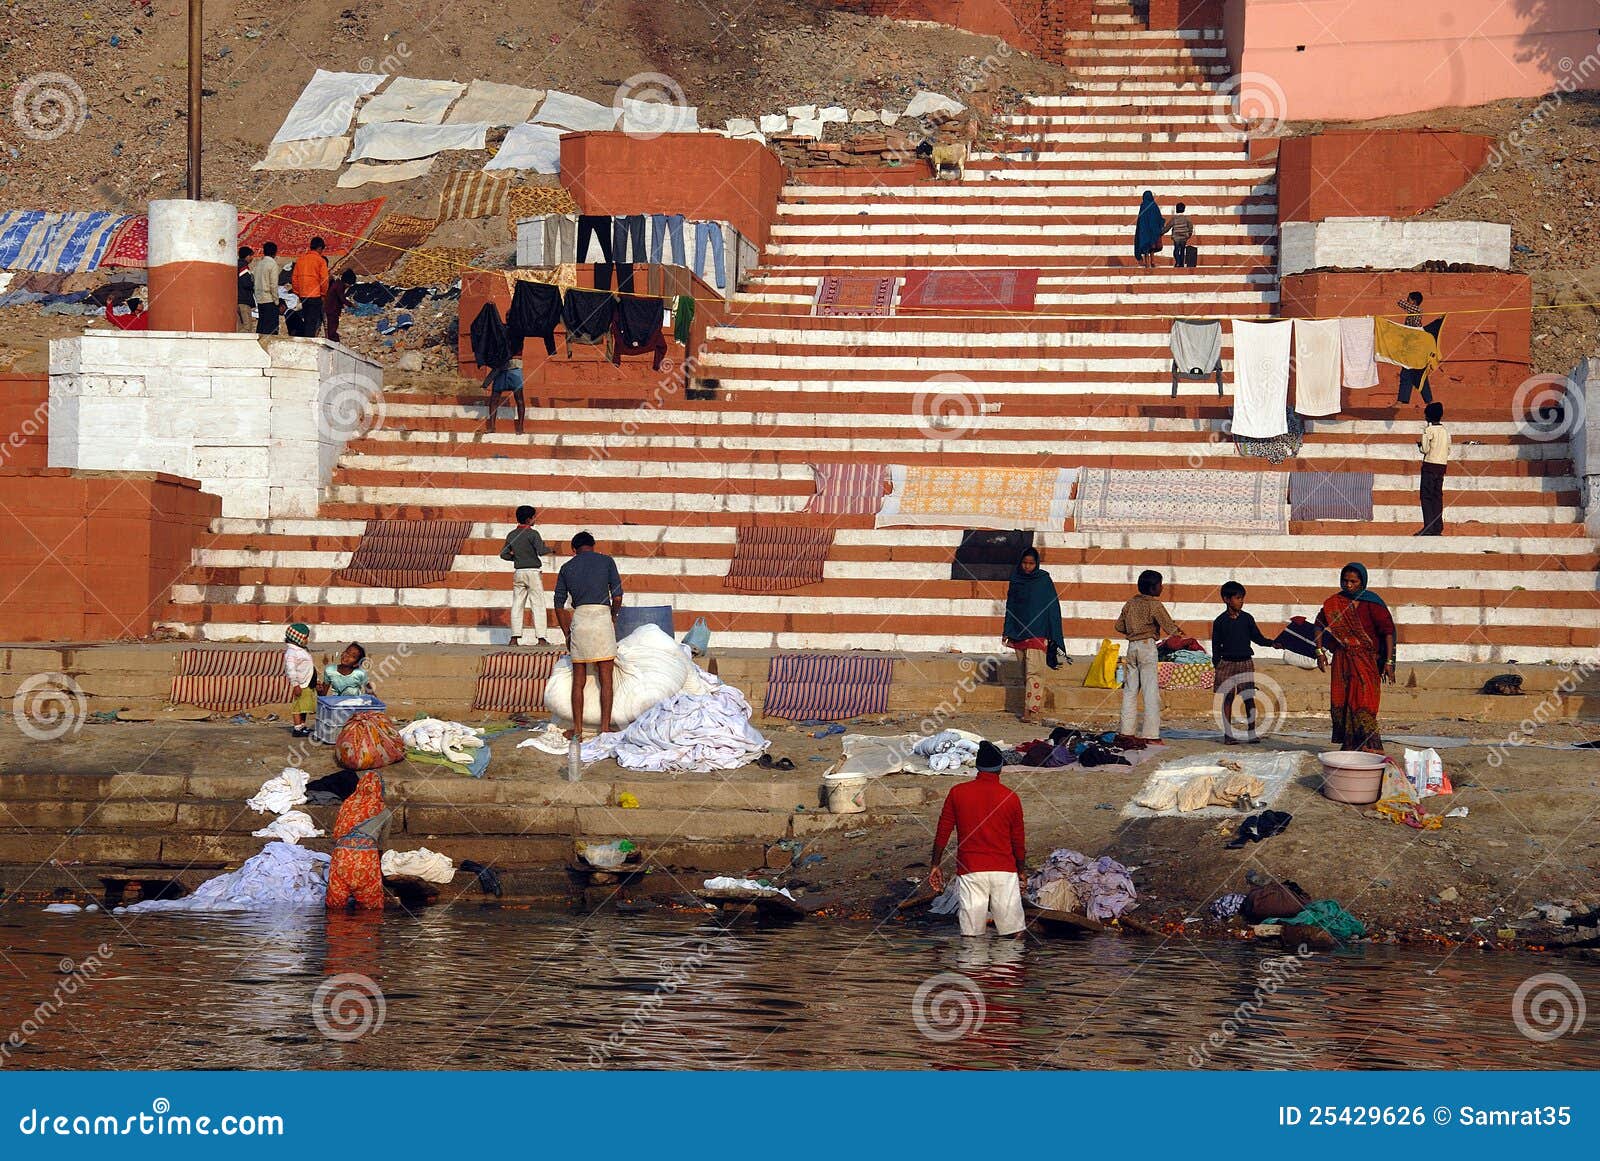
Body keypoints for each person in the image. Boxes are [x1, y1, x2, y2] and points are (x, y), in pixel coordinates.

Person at [928, 740, 1027, 939]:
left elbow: (943, 831)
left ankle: (973, 960)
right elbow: (1018, 840)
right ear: (1000, 768)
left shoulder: (958, 792)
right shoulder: (1010, 797)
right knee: (1014, 933)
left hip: (970, 869)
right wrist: (1021, 870)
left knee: (971, 935)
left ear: (977, 766)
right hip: (1004, 870)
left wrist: (935, 864)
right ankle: (1011, 959)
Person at [1315, 562, 1396, 754]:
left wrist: (1389, 661)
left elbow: (1388, 632)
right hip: (1342, 659)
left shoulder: (1372, 603)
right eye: (1345, 580)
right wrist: (1319, 652)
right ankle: (1350, 743)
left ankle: (1371, 745)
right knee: (1343, 700)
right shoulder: (1334, 603)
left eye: (1353, 581)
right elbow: (1318, 624)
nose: (1348, 585)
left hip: (1366, 660)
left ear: (1362, 582)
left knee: (1365, 700)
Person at [553, 532, 624, 740]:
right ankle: (605, 728)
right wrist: (613, 616)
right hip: (602, 619)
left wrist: (567, 633)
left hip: (581, 620)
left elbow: (558, 604)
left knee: (579, 680)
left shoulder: (567, 567)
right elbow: (617, 596)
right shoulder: (607, 561)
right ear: (593, 545)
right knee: (606, 679)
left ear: (573, 549)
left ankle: (577, 730)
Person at [1114, 569, 1182, 741]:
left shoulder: (1130, 603)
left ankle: (1126, 732)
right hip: (1147, 647)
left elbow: (1119, 626)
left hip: (1132, 647)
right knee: (1150, 692)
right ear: (1153, 588)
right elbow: (1168, 625)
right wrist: (1180, 634)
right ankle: (1150, 734)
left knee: (1130, 691)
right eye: (1160, 585)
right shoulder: (1154, 604)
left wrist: (1133, 630)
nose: (1162, 587)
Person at [1001, 547, 1065, 724]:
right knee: (1025, 672)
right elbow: (1011, 606)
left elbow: (1052, 607)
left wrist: (1052, 633)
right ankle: (1031, 706)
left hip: (1038, 632)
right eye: (1025, 563)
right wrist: (1007, 630)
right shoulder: (1016, 579)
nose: (1027, 566)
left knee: (1034, 672)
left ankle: (1029, 710)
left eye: (1031, 563)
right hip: (1018, 633)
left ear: (1036, 564)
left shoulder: (1043, 580)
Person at [1211, 581, 1275, 744]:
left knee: (1248, 697)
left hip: (1245, 662)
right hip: (1226, 663)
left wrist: (1272, 643)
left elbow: (1258, 638)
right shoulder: (1220, 621)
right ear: (1227, 599)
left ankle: (1252, 732)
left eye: (1242, 598)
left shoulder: (1247, 619)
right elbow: (1215, 645)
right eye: (1238, 598)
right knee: (1228, 698)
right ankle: (1228, 734)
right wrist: (1217, 664)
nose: (1241, 601)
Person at [502, 504, 552, 646]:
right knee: (538, 604)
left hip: (519, 572)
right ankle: (541, 638)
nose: (535, 519)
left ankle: (514, 637)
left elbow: (504, 554)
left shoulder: (511, 535)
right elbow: (541, 551)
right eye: (534, 517)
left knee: (517, 604)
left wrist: (516, 558)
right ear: (529, 519)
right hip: (533, 572)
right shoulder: (533, 534)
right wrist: (551, 549)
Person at [1395, 291, 1433, 405]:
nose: (1407, 301)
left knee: (1407, 373)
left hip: (1414, 349)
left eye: (1409, 299)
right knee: (1418, 375)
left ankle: (1401, 401)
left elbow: (1400, 302)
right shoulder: (1412, 313)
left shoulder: (1416, 310)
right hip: (1412, 348)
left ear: (1413, 301)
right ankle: (1429, 401)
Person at [1417, 401, 1450, 536]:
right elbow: (1448, 450)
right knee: (1437, 497)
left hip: (1430, 466)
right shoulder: (1445, 432)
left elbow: (1425, 449)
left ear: (1428, 417)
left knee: (1426, 497)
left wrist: (1420, 446)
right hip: (1441, 466)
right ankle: (1437, 527)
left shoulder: (1428, 430)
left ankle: (1429, 527)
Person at [290, 236, 330, 337]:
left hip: (303, 295)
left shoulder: (300, 260)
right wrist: (323, 294)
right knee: (312, 323)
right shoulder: (321, 261)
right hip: (315, 295)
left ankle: (306, 338)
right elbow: (324, 280)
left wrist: (297, 292)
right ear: (320, 248)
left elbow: (294, 278)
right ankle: (309, 340)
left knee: (307, 320)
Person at [283, 622, 317, 738]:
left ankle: (302, 726)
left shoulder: (301, 650)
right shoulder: (292, 653)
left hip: (307, 683)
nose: (307, 640)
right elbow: (291, 670)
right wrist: (295, 685)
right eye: (305, 637)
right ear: (297, 638)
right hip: (301, 684)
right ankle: (297, 728)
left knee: (304, 706)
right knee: (298, 707)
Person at [483, 357, 526, 435]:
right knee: (494, 399)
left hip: (514, 369)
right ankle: (492, 427)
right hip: (500, 371)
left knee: (519, 399)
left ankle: (520, 427)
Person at [251, 242, 281, 335]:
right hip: (269, 299)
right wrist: (276, 301)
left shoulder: (258, 264)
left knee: (261, 326)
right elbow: (273, 285)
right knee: (271, 329)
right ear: (275, 252)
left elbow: (253, 279)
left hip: (260, 299)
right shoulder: (272, 264)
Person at [1134, 190, 1164, 269]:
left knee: (1146, 247)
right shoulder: (1154, 205)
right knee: (1152, 246)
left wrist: (1140, 228)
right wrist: (1161, 225)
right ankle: (1152, 261)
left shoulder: (1143, 206)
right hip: (1153, 230)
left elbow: (1140, 219)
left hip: (1145, 230)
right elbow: (1159, 217)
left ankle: (1147, 263)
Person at [326, 268, 355, 344]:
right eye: (349, 284)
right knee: (332, 325)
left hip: (333, 308)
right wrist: (351, 305)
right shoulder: (339, 286)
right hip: (332, 309)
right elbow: (342, 298)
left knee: (333, 325)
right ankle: (333, 341)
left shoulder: (338, 284)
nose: (349, 286)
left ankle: (332, 339)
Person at [1168, 201, 1194, 268]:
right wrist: (1189, 234)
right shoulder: (1187, 218)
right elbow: (1190, 227)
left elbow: (1168, 227)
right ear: (1184, 209)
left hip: (1176, 237)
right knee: (1182, 250)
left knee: (1176, 250)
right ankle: (1181, 263)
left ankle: (1177, 262)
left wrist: (1161, 232)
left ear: (1176, 209)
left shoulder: (1174, 219)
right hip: (1184, 237)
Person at [237, 246, 255, 331]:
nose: (252, 258)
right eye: (251, 256)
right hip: (244, 299)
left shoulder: (236, 265)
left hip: (237, 299)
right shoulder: (244, 267)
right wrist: (253, 282)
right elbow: (246, 283)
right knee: (247, 327)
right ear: (247, 256)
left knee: (239, 328)